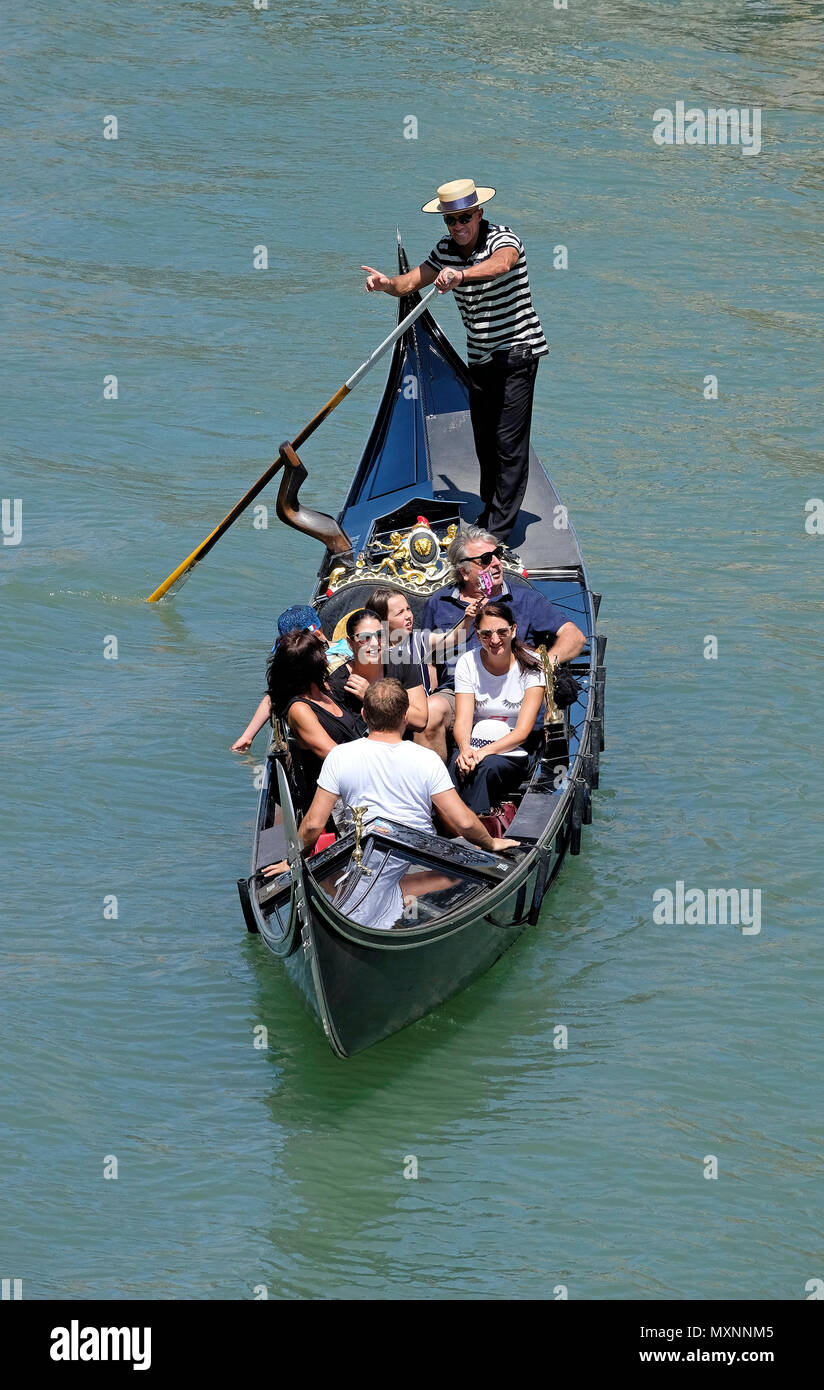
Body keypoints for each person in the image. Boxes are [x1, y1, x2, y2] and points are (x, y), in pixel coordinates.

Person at [363, 178, 548, 541]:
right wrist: (386, 284)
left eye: (465, 218)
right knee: (484, 442)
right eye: (451, 220)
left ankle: (496, 533)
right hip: (479, 357)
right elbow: (409, 283)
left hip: (517, 350)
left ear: (479, 213)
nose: (459, 226)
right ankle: (490, 513)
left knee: (508, 443)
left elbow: (501, 264)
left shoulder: (503, 239)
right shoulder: (445, 249)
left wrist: (461, 275)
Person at [284, 679, 520, 860]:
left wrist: (292, 861)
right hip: (418, 856)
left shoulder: (338, 756)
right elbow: (464, 822)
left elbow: (314, 824)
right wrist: (490, 843)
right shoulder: (428, 759)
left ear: (364, 715)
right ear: (406, 717)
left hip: (363, 854)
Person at [420, 524, 585, 737]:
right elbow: (428, 658)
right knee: (429, 712)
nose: (497, 563)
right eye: (486, 559)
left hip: (516, 687)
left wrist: (544, 663)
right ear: (464, 571)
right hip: (457, 691)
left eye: (497, 554)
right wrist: (428, 692)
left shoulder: (525, 600)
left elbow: (575, 637)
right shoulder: (439, 603)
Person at [450, 602, 546, 814]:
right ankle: (450, 825)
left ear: (513, 630)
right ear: (477, 635)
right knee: (455, 768)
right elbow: (463, 721)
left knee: (486, 768)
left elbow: (523, 731)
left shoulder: (533, 665)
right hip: (474, 742)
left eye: (502, 632)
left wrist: (483, 753)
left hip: (515, 747)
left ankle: (476, 825)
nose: (494, 640)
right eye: (486, 634)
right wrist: (466, 750)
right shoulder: (467, 662)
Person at [231, 604, 350, 753]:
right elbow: (274, 695)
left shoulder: (306, 664)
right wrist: (247, 736)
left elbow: (274, 695)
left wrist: (247, 736)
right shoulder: (349, 647)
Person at [365, 585, 454, 762]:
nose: (408, 616)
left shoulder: (418, 639)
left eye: (409, 609)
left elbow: (452, 639)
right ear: (381, 621)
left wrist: (468, 619)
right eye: (399, 613)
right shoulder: (372, 652)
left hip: (420, 711)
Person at [266, 628, 362, 789]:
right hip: (338, 793)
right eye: (323, 655)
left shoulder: (325, 690)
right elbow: (333, 756)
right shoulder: (300, 709)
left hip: (359, 775)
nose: (327, 659)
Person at [328, 608, 428, 735]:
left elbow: (421, 721)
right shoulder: (338, 683)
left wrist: (371, 696)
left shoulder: (402, 662)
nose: (375, 643)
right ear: (350, 643)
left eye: (380, 635)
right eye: (365, 638)